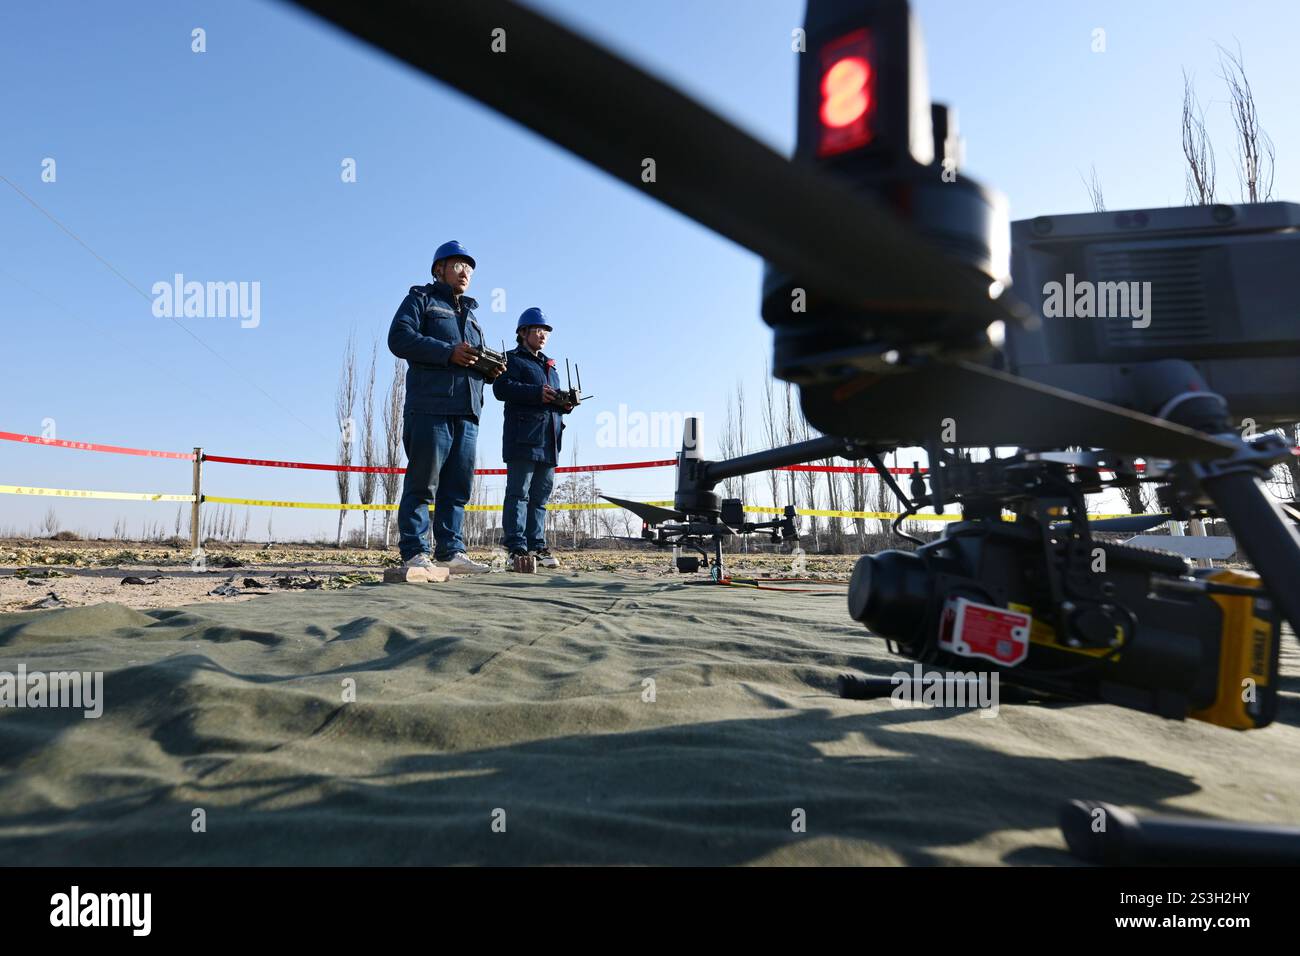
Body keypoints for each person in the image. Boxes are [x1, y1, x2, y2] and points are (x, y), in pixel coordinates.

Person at [387, 240, 502, 574]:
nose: (465, 272)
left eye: (469, 268)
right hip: (430, 407)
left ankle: (450, 552)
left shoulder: (473, 319)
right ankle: (415, 552)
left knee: (457, 486)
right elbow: (399, 338)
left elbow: (471, 360)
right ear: (439, 269)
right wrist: (447, 352)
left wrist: (489, 371)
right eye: (458, 265)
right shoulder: (420, 300)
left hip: (467, 412)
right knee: (424, 482)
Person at [492, 308, 574, 568]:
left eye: (546, 331)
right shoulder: (512, 359)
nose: (543, 335)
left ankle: (537, 545)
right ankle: (516, 547)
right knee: (519, 494)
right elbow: (501, 388)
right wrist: (536, 393)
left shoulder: (551, 366)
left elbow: (550, 397)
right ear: (523, 332)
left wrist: (565, 403)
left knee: (540, 497)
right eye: (538, 330)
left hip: (549, 440)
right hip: (523, 439)